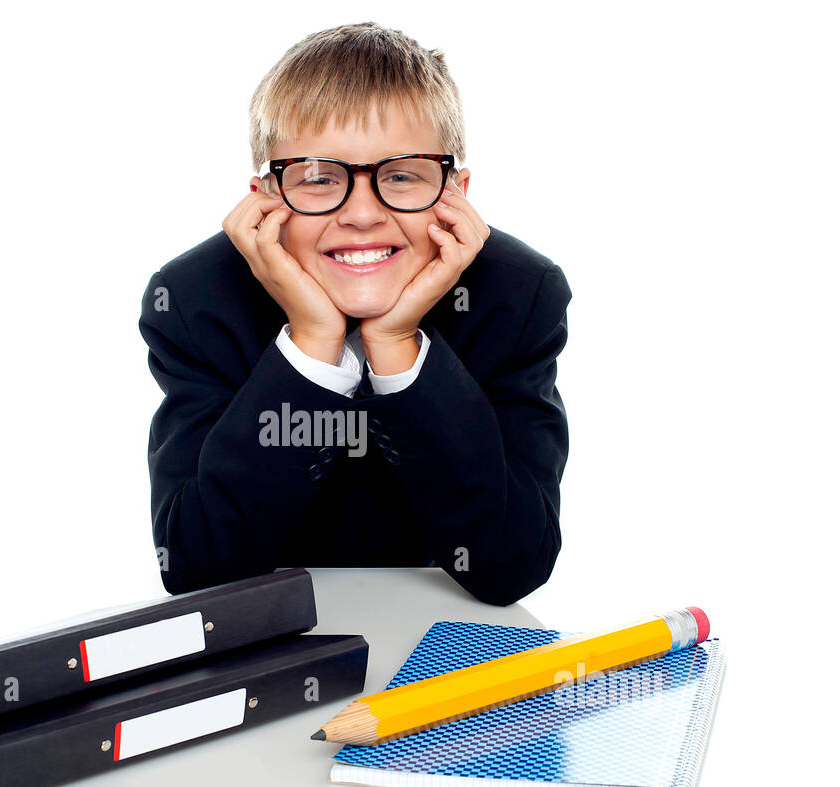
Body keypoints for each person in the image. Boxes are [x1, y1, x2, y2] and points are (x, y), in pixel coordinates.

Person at [139, 22, 571, 606]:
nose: (363, 214)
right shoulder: (194, 302)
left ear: (456, 192)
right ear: (265, 197)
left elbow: (512, 563)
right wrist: (314, 341)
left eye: (400, 175)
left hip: (442, 644)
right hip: (276, 647)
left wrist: (396, 342)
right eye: (319, 178)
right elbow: (199, 572)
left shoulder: (517, 296)